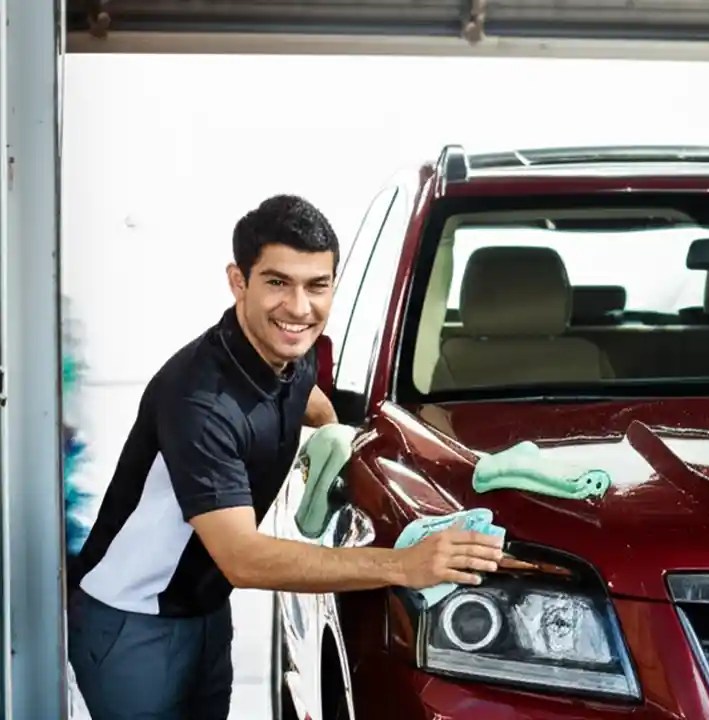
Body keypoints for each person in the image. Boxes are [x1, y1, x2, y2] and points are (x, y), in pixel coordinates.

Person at [66, 194, 505, 720]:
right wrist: (404, 565)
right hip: (133, 621)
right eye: (278, 282)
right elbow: (245, 558)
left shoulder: (287, 358)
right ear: (238, 281)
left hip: (203, 607)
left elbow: (313, 406)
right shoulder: (200, 401)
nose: (299, 308)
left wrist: (347, 444)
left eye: (317, 286)